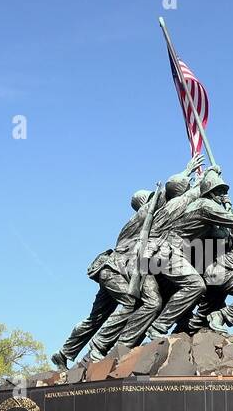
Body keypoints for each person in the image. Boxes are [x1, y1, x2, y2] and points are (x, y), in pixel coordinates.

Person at [50, 155, 203, 367]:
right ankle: (99, 349)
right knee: (144, 302)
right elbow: (169, 194)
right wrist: (187, 175)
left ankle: (65, 352)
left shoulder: (143, 221)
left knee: (97, 317)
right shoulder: (142, 215)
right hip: (120, 268)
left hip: (116, 268)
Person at [133, 165, 233, 341]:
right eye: (218, 191)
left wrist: (227, 207)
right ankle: (158, 327)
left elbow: (222, 234)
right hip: (166, 251)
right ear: (209, 192)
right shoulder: (206, 205)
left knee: (200, 286)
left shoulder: (204, 207)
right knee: (196, 285)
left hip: (169, 252)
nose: (221, 195)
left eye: (223, 192)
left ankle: (183, 325)